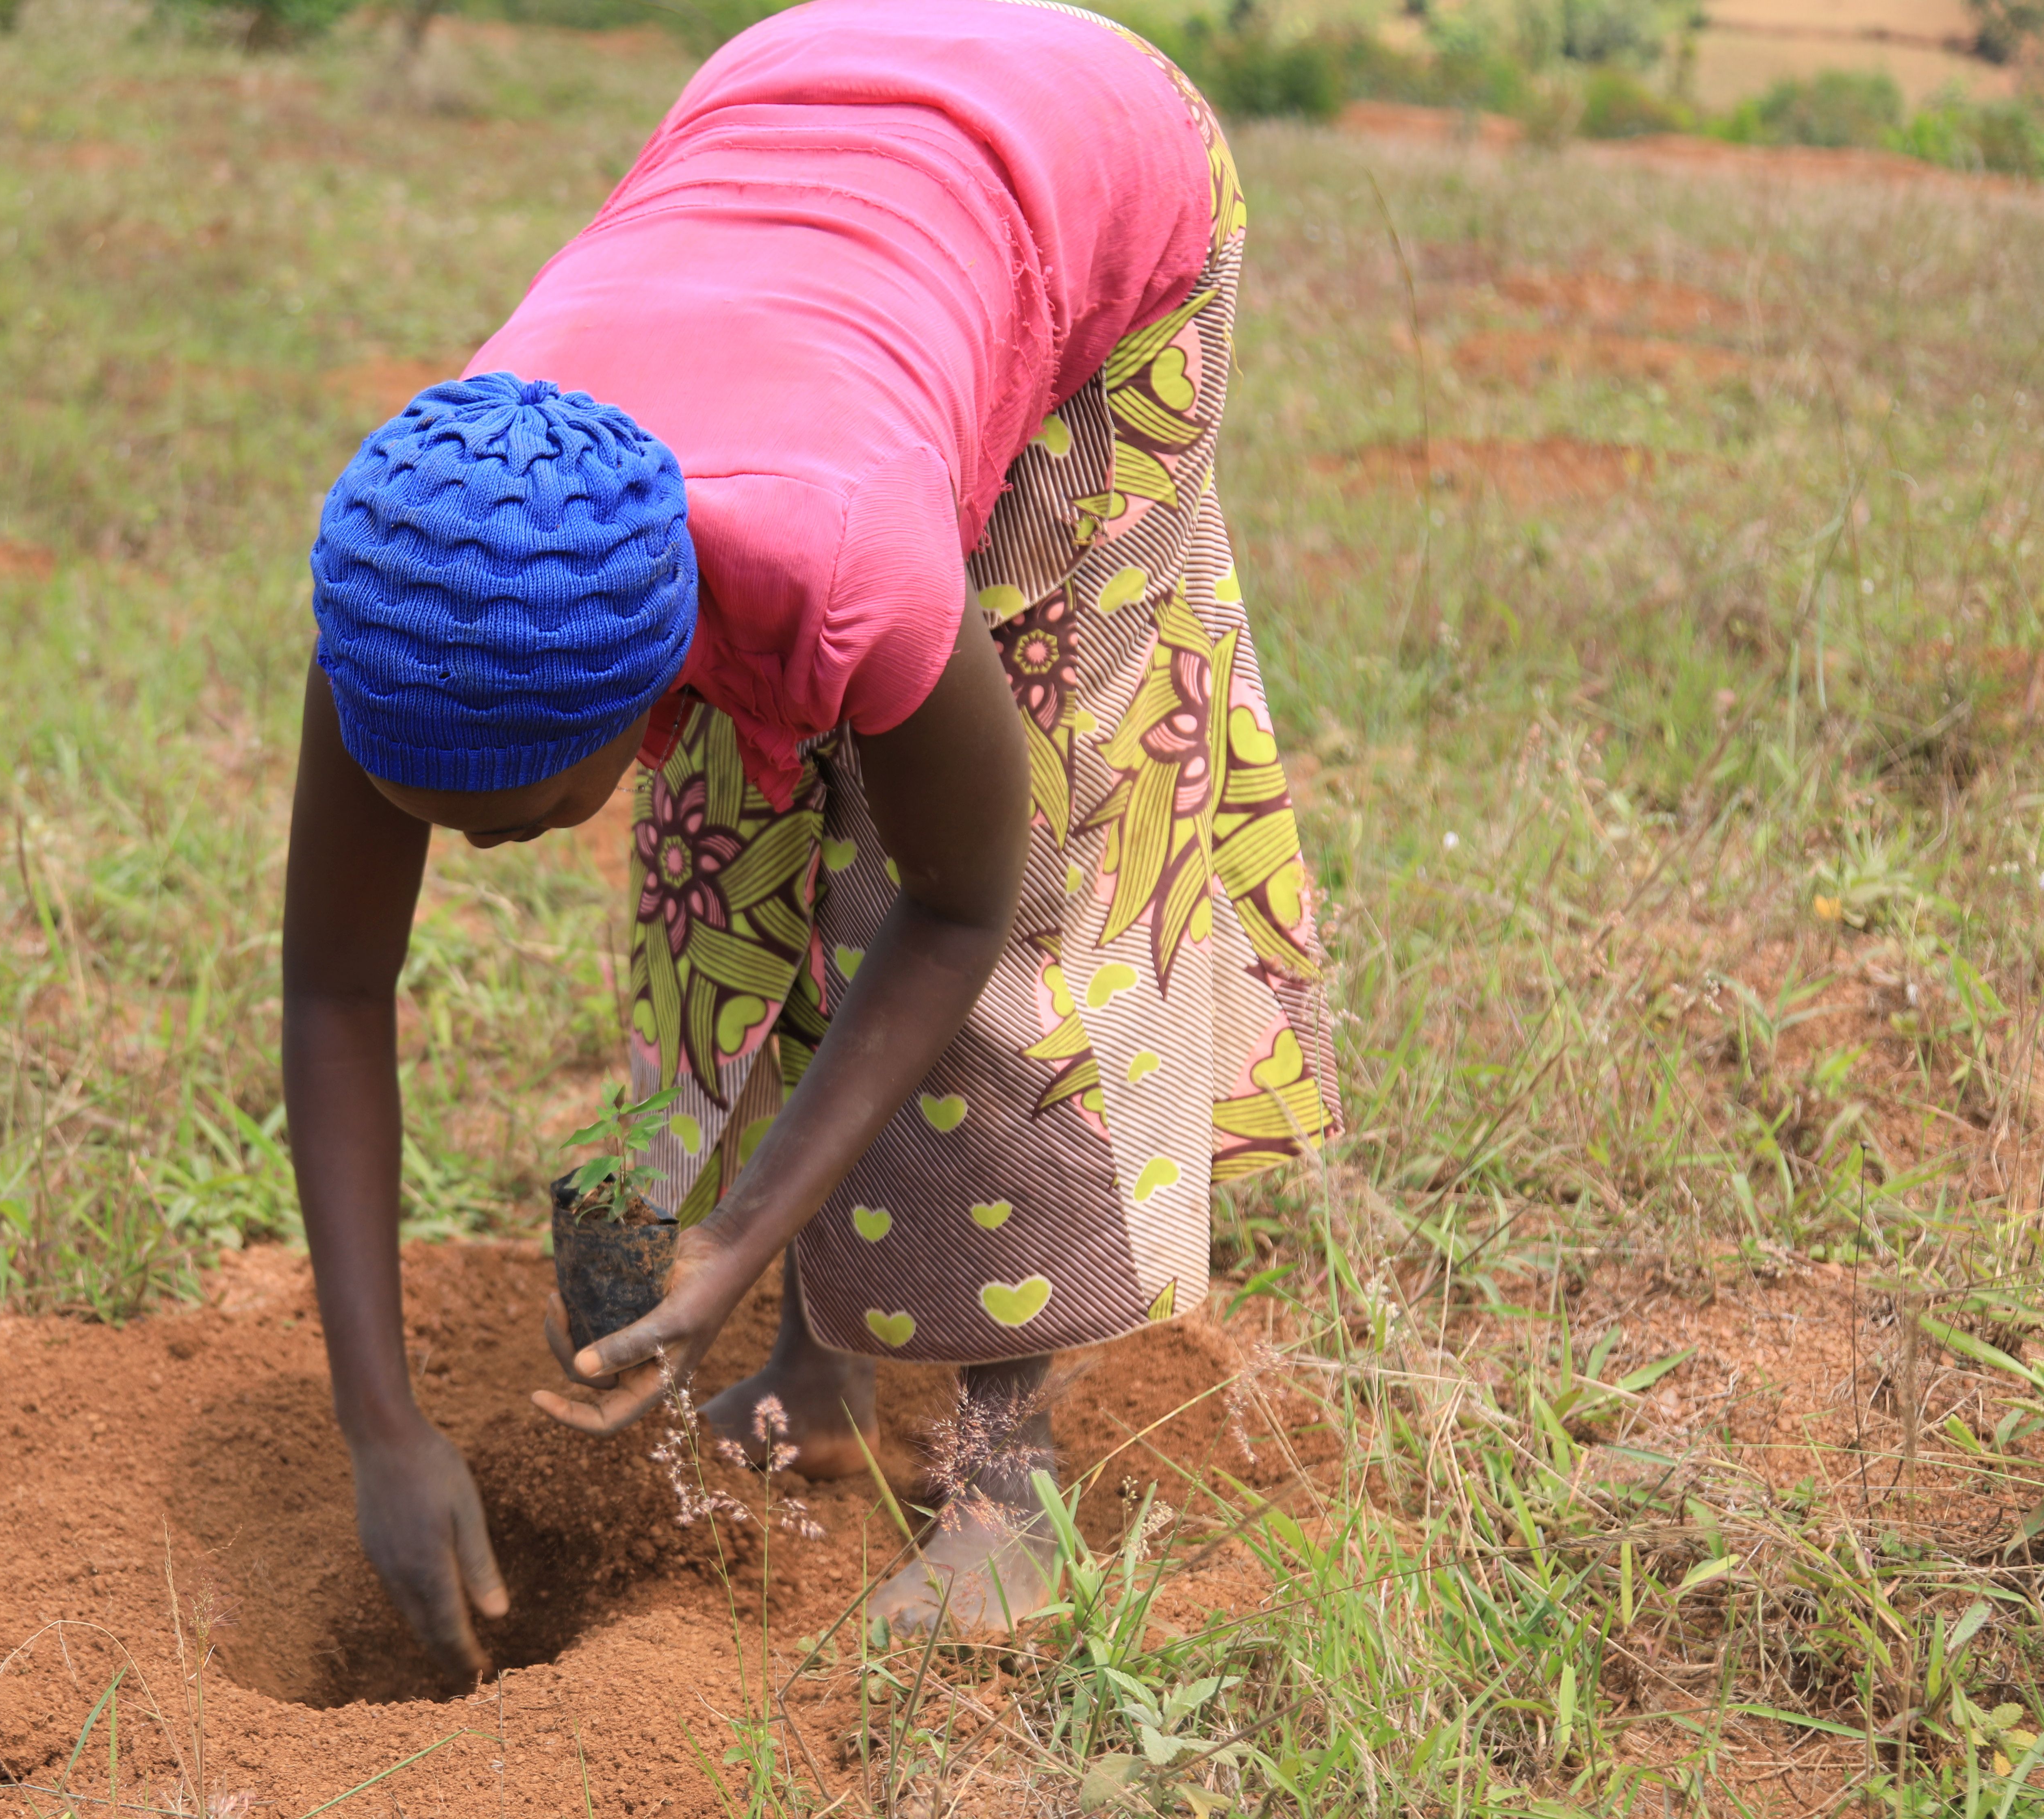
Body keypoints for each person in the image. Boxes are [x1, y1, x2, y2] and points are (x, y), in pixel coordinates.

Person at [281, 0, 1340, 1681]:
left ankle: (1010, 1473)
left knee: (1020, 848)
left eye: (517, 818)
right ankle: (824, 1367)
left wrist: (741, 1226)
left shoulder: (852, 560)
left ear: (649, 691)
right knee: (726, 856)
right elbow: (334, 986)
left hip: (1095, 190)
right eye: (440, 815)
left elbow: (964, 905)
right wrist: (377, 1429)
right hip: (801, 120)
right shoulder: (426, 587)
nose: (471, 852)